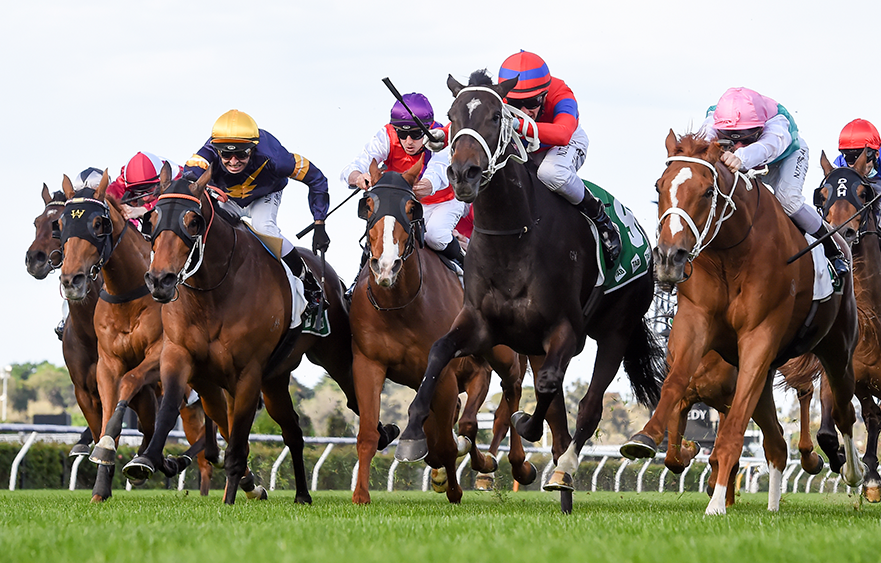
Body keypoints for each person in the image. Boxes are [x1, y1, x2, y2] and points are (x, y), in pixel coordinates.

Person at [184, 109, 329, 314]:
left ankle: (308, 283)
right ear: (216, 149)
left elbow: (317, 179)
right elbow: (186, 180)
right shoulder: (205, 154)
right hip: (227, 197)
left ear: (253, 148)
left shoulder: (278, 159)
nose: (233, 161)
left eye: (241, 154)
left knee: (265, 229)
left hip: (265, 194)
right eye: (226, 154)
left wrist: (319, 222)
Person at [700, 87, 848, 278]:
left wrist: (741, 157)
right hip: (750, 162)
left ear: (761, 128)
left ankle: (833, 252)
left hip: (785, 157)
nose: (738, 146)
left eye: (746, 139)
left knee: (788, 200)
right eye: (730, 139)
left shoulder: (778, 124)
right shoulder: (712, 121)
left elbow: (766, 147)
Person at [498, 50, 621, 267]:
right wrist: (445, 134)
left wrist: (518, 124)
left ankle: (601, 218)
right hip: (529, 148)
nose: (526, 110)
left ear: (545, 94)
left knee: (551, 173)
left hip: (565, 143)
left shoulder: (561, 93)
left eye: (533, 102)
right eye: (517, 104)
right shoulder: (498, 95)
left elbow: (563, 133)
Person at [341, 93, 468, 270]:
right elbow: (359, 163)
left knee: (435, 237)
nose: (408, 142)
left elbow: (439, 168)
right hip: (406, 204)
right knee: (378, 233)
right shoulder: (386, 135)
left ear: (428, 128)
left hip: (443, 202)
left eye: (416, 134)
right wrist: (358, 176)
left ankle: (468, 264)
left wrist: (429, 184)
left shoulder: (440, 136)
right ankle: (358, 280)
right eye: (402, 133)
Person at [106, 151, 182, 233]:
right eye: (139, 192)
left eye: (149, 190)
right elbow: (109, 195)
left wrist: (143, 210)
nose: (145, 198)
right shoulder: (125, 179)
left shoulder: (176, 176)